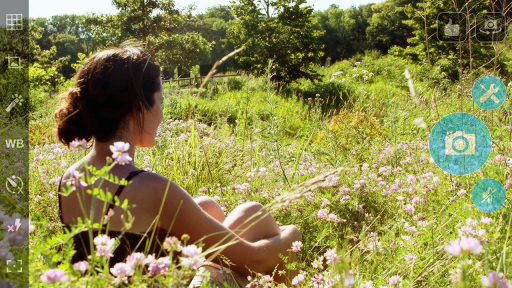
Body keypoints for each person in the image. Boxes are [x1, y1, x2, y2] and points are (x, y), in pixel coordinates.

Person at [54, 47, 301, 285]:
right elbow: (254, 261)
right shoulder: (150, 188)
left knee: (207, 207)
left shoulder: (70, 176)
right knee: (254, 214)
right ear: (139, 108)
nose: (161, 114)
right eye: (159, 102)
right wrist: (291, 235)